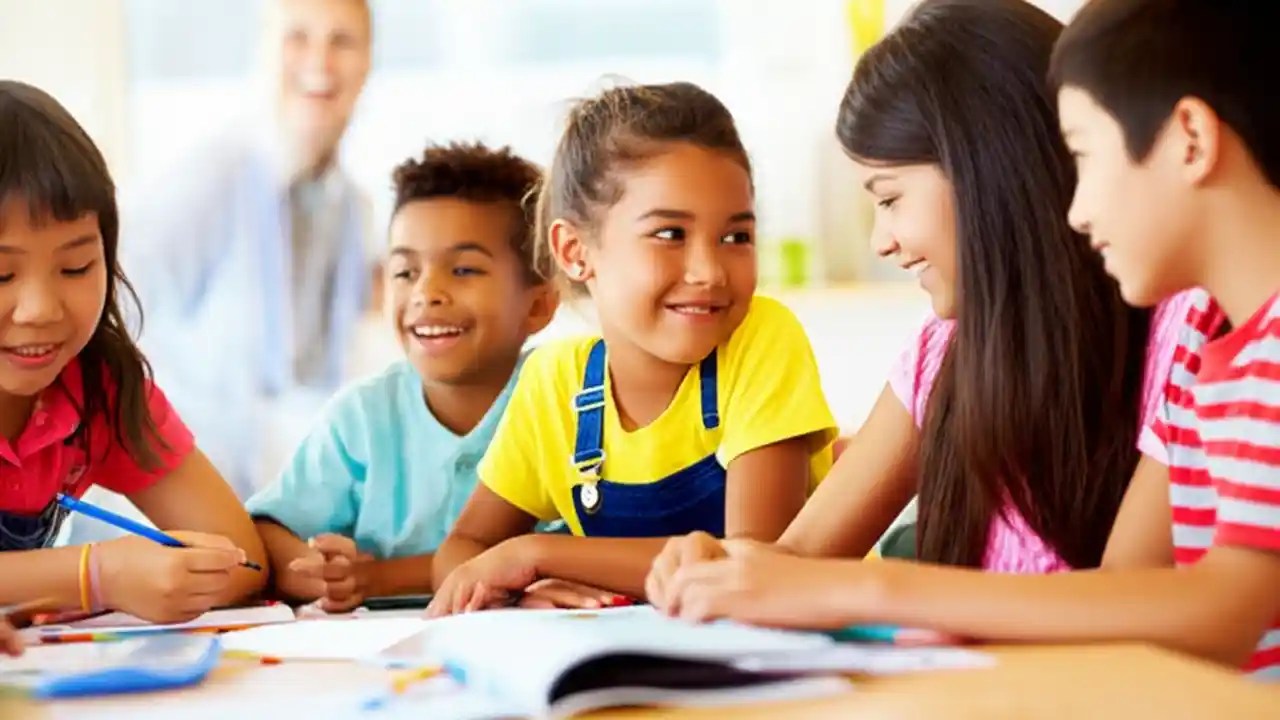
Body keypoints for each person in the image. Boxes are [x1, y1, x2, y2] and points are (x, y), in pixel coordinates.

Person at [648, 0, 1280, 679]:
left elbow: (1211, 610)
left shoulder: (1198, 330)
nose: (1077, 203)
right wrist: (722, 567)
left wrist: (876, 590)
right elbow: (1130, 601)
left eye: (888, 198)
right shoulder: (1215, 352)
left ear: (988, 169)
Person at [426, 81, 840, 617]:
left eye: (736, 237)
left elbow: (751, 563)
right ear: (574, 251)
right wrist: (517, 590)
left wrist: (538, 554)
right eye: (670, 234)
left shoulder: (762, 339)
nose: (709, 271)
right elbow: (461, 555)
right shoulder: (554, 383)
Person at [247, 142, 559, 613]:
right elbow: (269, 532)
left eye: (464, 269)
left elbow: (571, 552)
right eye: (405, 271)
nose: (426, 292)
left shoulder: (567, 402)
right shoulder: (363, 417)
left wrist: (379, 578)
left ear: (538, 305)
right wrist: (327, 577)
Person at [0, 81, 267, 623]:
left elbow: (241, 559)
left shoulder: (100, 389)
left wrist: (167, 577)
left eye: (76, 267)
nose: (39, 309)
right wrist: (96, 577)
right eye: (2, 273)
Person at [119, 0, 377, 500]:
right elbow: (114, 310)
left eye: (342, 41)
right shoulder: (212, 178)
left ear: (368, 60)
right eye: (298, 37)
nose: (320, 63)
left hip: (278, 499)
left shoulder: (349, 208)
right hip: (177, 500)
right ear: (265, 50)